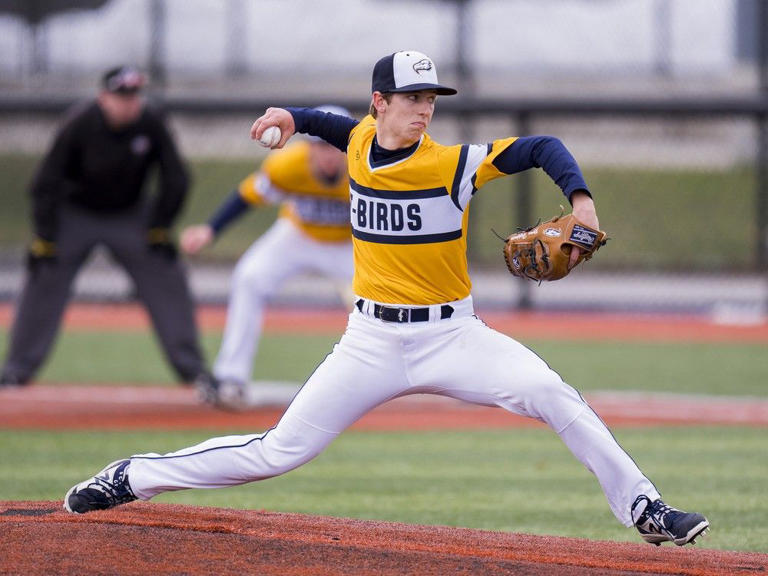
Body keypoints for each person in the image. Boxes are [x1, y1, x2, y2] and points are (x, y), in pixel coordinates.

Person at [64, 51, 709, 547]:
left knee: (551, 393)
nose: (424, 109)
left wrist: (582, 201)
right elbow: (326, 123)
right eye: (411, 98)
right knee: (278, 452)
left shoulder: (454, 165)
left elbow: (540, 147)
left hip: (454, 337)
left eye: (431, 98)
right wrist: (289, 117)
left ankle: (644, 508)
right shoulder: (356, 143)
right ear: (380, 103)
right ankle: (133, 477)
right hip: (369, 341)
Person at [0, 65, 214, 394]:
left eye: (134, 96)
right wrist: (44, 236)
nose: (129, 103)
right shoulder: (80, 122)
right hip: (75, 212)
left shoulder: (151, 121)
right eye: (121, 96)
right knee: (44, 274)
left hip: (129, 214)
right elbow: (45, 181)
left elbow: (176, 177)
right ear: (103, 98)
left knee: (167, 274)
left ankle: (193, 370)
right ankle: (16, 370)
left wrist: (160, 227)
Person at [180, 106, 353, 407]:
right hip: (298, 235)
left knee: (378, 303)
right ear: (309, 148)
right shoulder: (287, 165)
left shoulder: (365, 166)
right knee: (250, 277)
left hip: (349, 245)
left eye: (333, 147)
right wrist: (211, 229)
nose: (327, 154)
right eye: (319, 146)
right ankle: (230, 377)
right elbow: (248, 196)